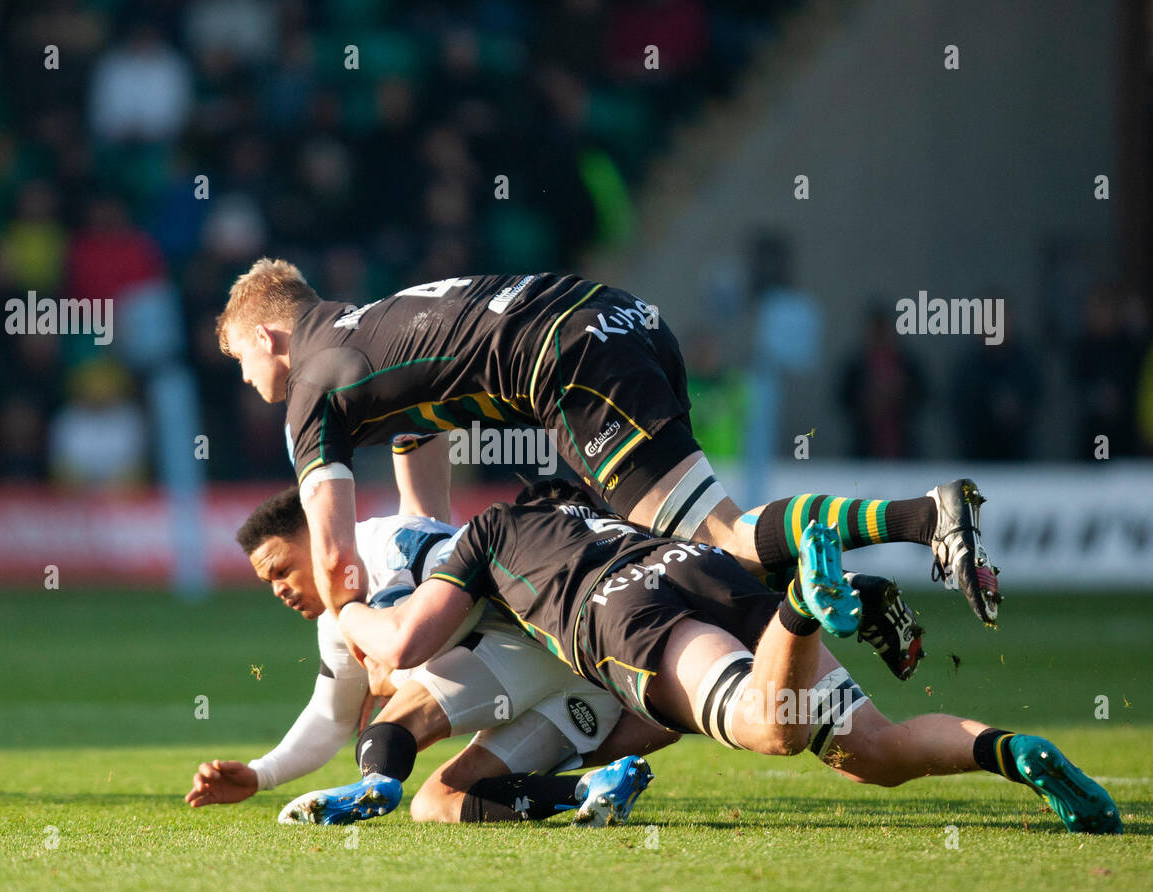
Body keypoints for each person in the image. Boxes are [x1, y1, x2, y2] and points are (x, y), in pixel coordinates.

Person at [215, 261, 1001, 629]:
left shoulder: (312, 391)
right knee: (676, 542)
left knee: (713, 536)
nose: (246, 381)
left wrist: (358, 634)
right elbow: (427, 517)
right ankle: (843, 598)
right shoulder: (377, 337)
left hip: (572, 360)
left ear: (267, 334)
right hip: (619, 316)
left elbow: (336, 562)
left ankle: (923, 519)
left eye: (239, 361)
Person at [334, 481, 1121, 835]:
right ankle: (1014, 752)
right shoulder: (603, 511)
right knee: (872, 751)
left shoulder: (490, 532)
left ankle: (804, 606)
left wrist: (354, 614)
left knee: (769, 727)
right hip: (694, 568)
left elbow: (405, 643)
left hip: (622, 616)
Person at [184, 486, 667, 826]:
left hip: (538, 644)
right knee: (439, 801)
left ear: (319, 535)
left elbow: (419, 639)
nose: (278, 590)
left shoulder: (390, 544)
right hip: (573, 689)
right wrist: (260, 773)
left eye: (281, 569)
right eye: (267, 582)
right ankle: (592, 790)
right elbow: (332, 717)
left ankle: (377, 785)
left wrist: (386, 675)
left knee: (391, 724)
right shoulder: (339, 612)